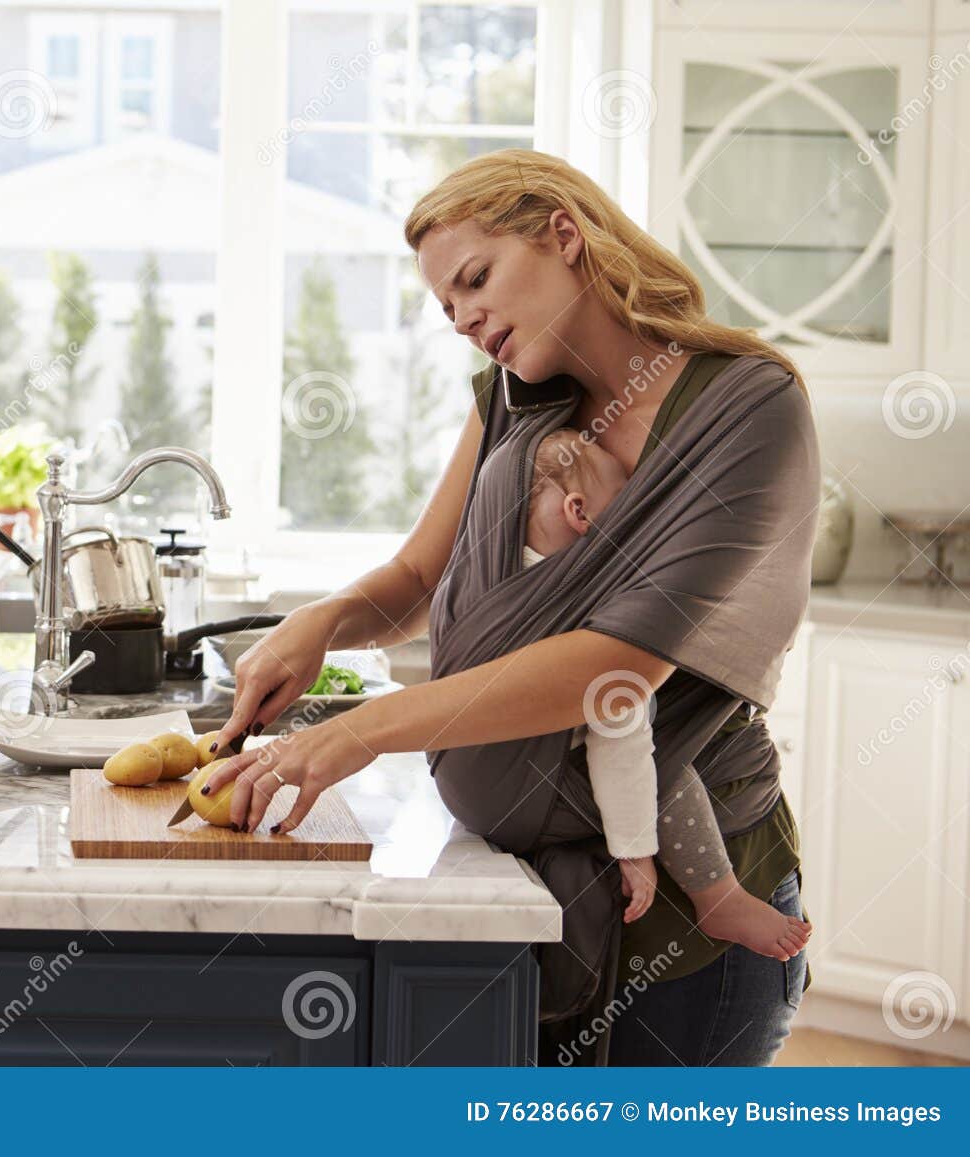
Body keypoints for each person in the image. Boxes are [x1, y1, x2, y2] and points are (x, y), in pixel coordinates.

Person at [203, 148, 818, 1066]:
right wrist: (320, 619)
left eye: (475, 280)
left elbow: (613, 670)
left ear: (565, 237)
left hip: (695, 906)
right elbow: (417, 578)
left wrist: (364, 730)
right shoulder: (514, 404)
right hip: (525, 881)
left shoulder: (746, 410)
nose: (462, 319)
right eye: (446, 306)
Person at [524, 428, 810, 960]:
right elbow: (619, 733)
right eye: (627, 512)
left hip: (515, 769)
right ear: (580, 512)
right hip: (569, 756)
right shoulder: (585, 605)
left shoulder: (504, 575)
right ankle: (717, 895)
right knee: (663, 764)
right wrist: (633, 850)